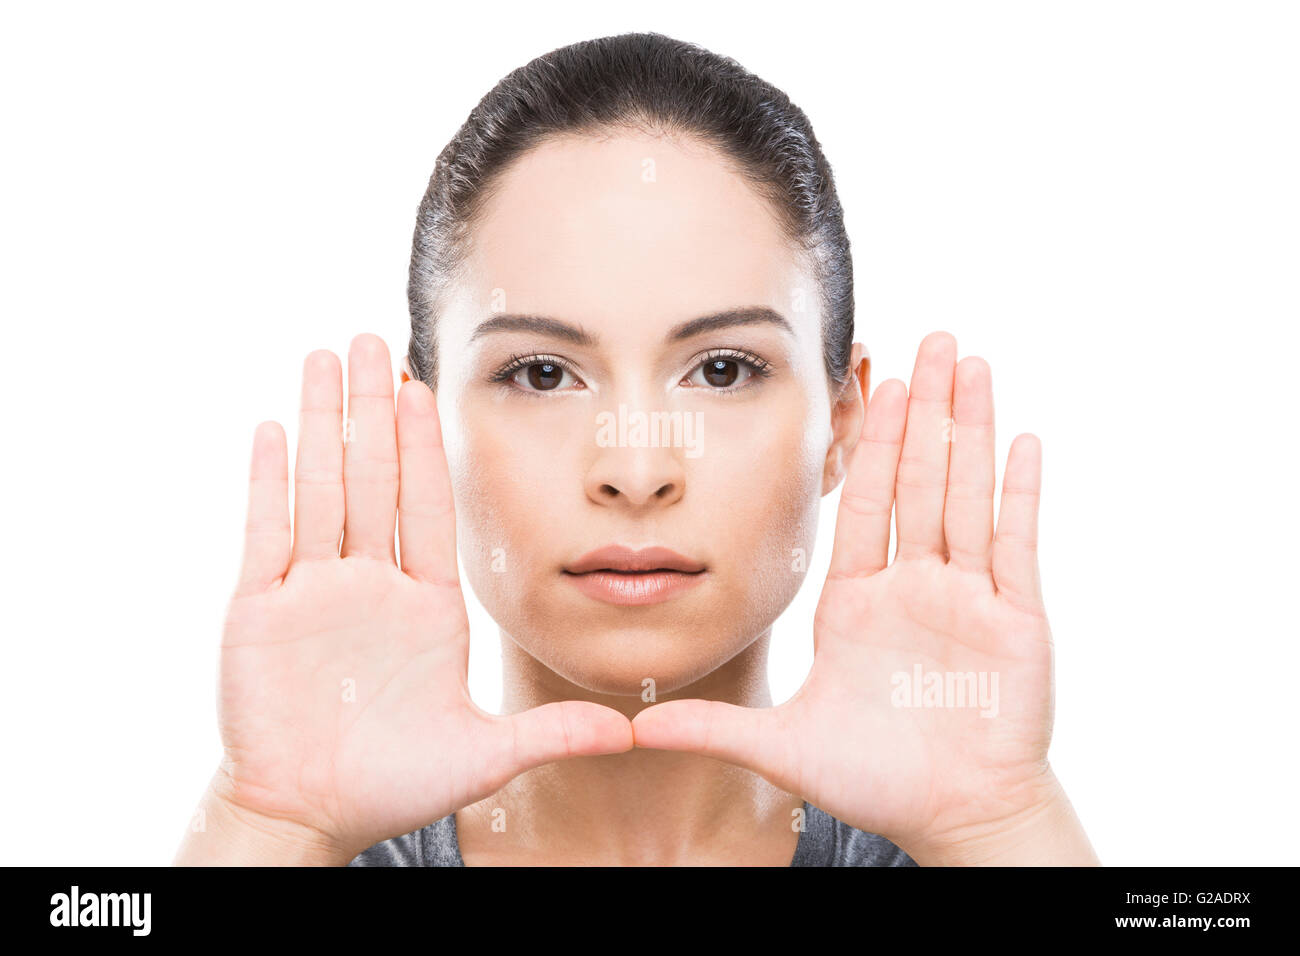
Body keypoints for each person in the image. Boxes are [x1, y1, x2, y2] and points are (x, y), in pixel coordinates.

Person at [175, 32, 1097, 866]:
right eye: (541, 374)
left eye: (725, 370)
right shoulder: (306, 849)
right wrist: (271, 824)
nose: (637, 470)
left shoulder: (967, 848)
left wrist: (1001, 825)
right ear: (421, 424)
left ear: (839, 422)